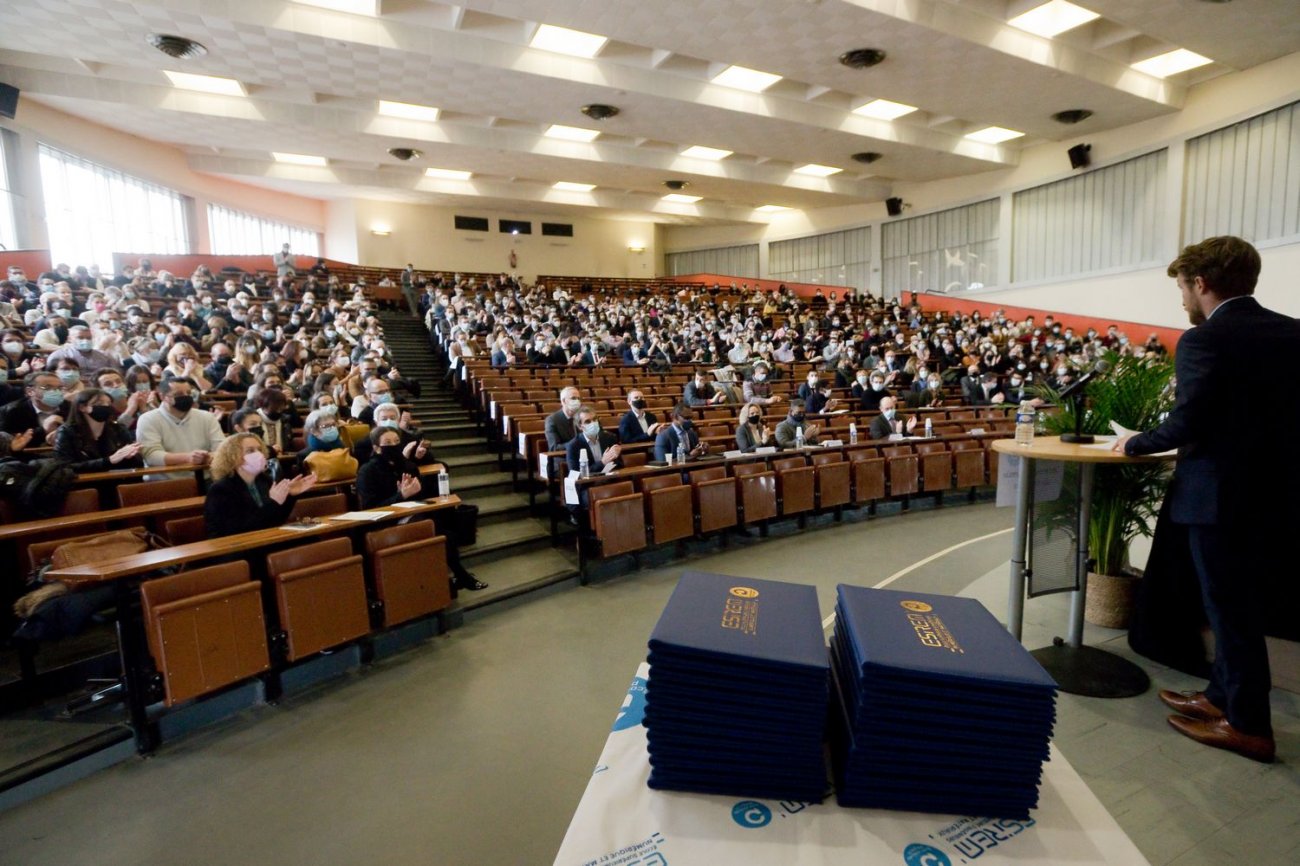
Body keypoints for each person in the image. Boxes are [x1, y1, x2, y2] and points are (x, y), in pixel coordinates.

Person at [1115, 236, 1300, 764]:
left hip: (1220, 500)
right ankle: (1221, 698)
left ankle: (1247, 725)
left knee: (1230, 611)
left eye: (1181, 287)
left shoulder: (1203, 341)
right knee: (1238, 608)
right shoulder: (1292, 333)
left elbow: (1189, 420)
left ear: (1200, 284)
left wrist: (1135, 442)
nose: (1180, 300)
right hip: (1276, 498)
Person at [356, 426, 487, 591]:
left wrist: (415, 493)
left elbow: (419, 496)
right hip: (387, 521)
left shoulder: (408, 466)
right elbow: (370, 508)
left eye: (396, 441)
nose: (394, 445)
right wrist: (401, 495)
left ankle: (451, 577)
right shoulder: (367, 471)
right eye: (388, 442)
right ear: (376, 448)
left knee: (449, 523)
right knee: (440, 532)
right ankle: (461, 576)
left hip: (412, 513)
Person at [204, 433, 316, 538]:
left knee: (311, 538)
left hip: (263, 537)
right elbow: (240, 528)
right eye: (250, 451)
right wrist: (274, 502)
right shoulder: (221, 489)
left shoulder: (264, 480)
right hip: (236, 547)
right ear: (233, 457)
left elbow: (276, 519)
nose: (258, 454)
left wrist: (290, 495)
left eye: (259, 449)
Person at [135, 377, 226, 468]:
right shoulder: (148, 419)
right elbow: (152, 456)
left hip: (206, 476)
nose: (186, 396)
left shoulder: (207, 417)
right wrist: (188, 457)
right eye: (179, 394)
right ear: (162, 397)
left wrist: (207, 457)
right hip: (166, 479)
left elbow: (222, 449)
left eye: (189, 393)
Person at [52, 388, 142, 472]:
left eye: (109, 404)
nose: (106, 407)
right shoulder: (67, 432)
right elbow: (64, 468)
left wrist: (132, 456)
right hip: (85, 485)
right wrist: (108, 461)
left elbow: (134, 464)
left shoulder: (118, 428)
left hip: (117, 480)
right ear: (82, 407)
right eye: (99, 404)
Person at [0, 371, 67, 446]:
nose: (56, 392)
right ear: (30, 391)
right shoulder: (11, 411)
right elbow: (9, 446)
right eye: (48, 388)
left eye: (60, 388)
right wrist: (43, 430)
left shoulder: (71, 407)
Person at [564, 405, 622, 477]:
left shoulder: (610, 438)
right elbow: (576, 475)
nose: (593, 423)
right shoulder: (573, 446)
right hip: (588, 484)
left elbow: (619, 463)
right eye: (587, 422)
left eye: (594, 419)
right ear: (580, 426)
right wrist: (602, 463)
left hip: (610, 479)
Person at [544, 386, 583, 451]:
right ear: (563, 401)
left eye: (578, 398)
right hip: (563, 458)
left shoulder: (583, 416)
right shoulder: (552, 420)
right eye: (573, 398)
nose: (577, 401)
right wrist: (576, 444)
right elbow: (554, 447)